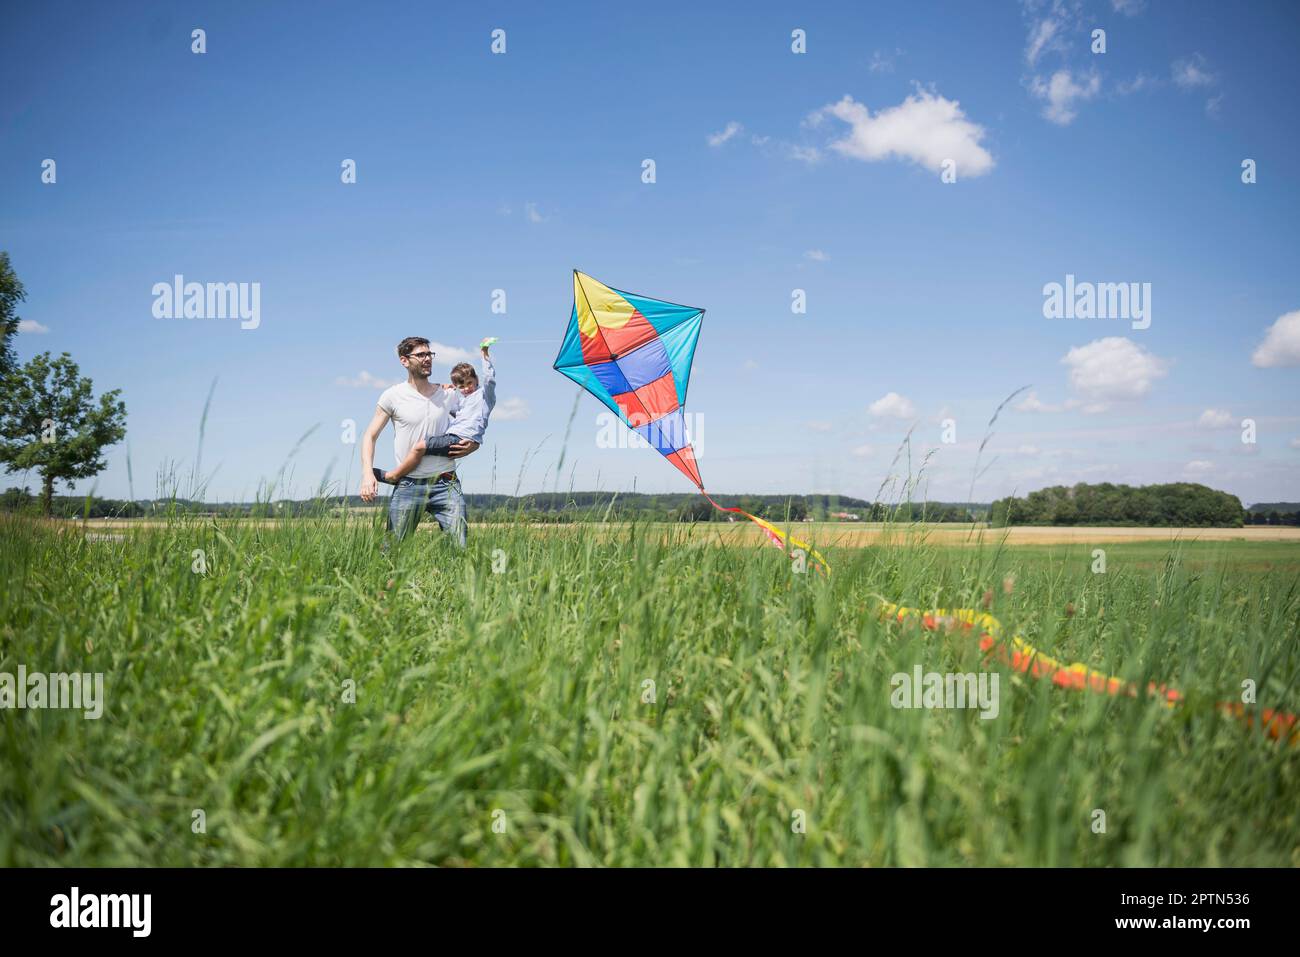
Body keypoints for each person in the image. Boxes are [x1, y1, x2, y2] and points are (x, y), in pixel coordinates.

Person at [358, 336, 479, 546]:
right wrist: (368, 473)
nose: (427, 359)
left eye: (429, 354)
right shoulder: (392, 396)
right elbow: (370, 435)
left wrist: (474, 445)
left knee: (461, 549)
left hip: (446, 483)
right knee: (392, 551)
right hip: (408, 485)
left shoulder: (449, 394)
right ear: (404, 360)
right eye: (421, 355)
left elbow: (474, 422)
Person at [376, 342, 496, 483]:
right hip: (453, 437)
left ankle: (394, 476)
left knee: (419, 447)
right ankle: (381, 474)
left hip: (459, 439)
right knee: (423, 449)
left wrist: (484, 354)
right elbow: (447, 408)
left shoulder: (484, 396)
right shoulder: (463, 401)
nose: (466, 388)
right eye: (461, 386)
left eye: (469, 383)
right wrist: (442, 388)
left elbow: (490, 379)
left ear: (476, 380)